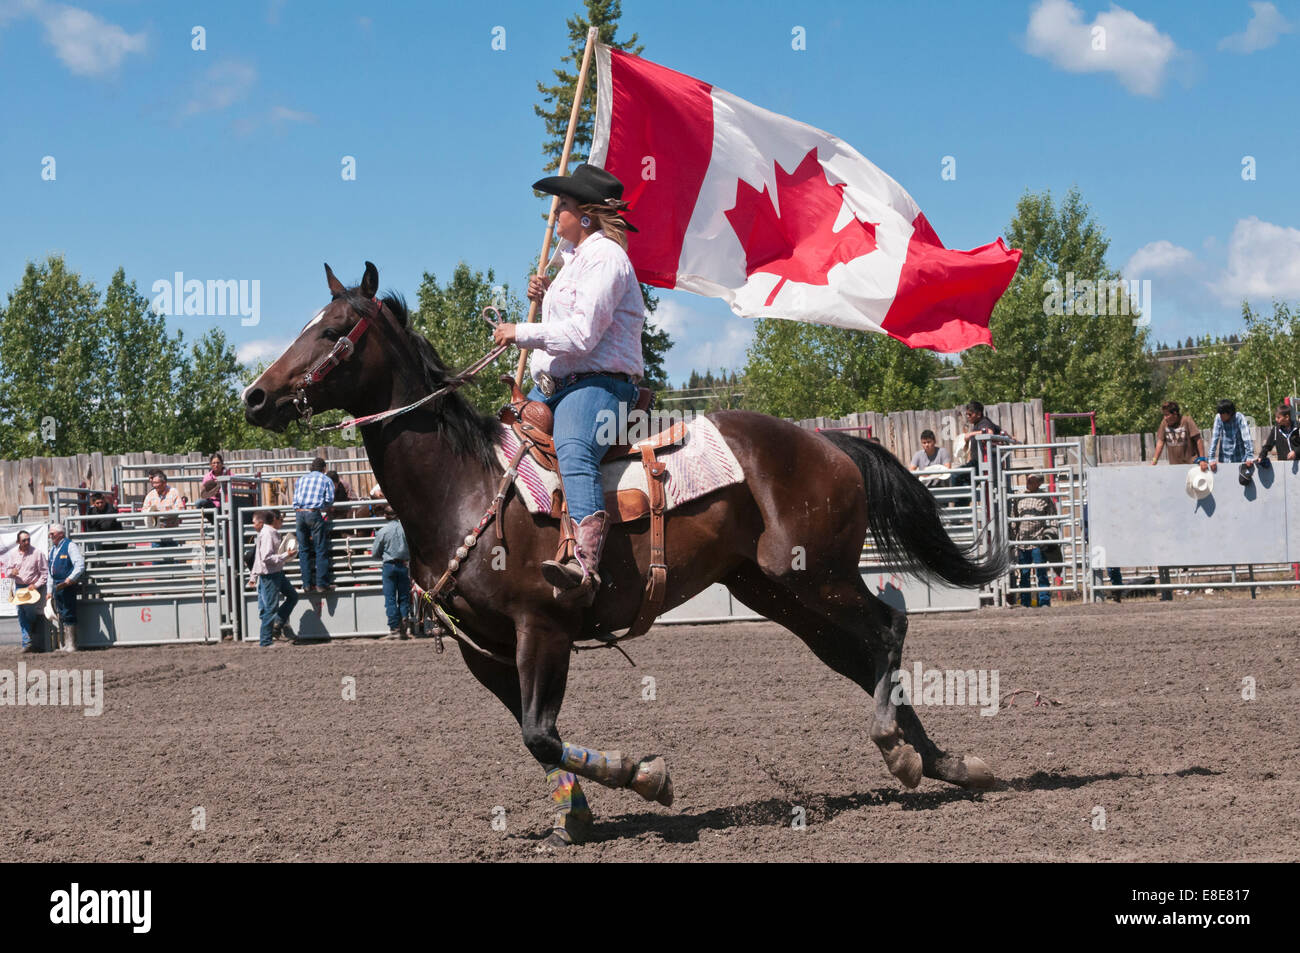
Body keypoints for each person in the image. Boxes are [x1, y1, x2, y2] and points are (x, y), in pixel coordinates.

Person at [492, 163, 643, 605]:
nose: (555, 216)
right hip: (560, 383)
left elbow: (582, 335)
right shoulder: (575, 260)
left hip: (601, 384)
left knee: (574, 446)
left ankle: (585, 563)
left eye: (563, 207)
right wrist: (546, 295)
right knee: (503, 442)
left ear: (587, 216)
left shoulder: (608, 258)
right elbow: (567, 325)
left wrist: (520, 330)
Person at [248, 510, 297, 646]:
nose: (282, 522)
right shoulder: (269, 533)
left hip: (275, 573)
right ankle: (265, 640)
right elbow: (266, 557)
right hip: (271, 574)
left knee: (291, 597)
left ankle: (278, 623)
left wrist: (253, 575)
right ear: (274, 519)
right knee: (271, 607)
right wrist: (285, 555)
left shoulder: (267, 532)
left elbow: (259, 557)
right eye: (280, 519)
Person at [1010, 474, 1056, 608]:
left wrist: (1050, 535)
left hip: (1038, 540)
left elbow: (1053, 516)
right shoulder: (1019, 496)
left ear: (1038, 483)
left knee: (1041, 572)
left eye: (1033, 480)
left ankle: (1044, 602)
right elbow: (1014, 518)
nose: (1029, 482)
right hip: (1022, 541)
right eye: (1029, 480)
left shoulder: (1044, 497)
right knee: (1024, 574)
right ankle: (1025, 602)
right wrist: (1014, 537)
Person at [293, 457, 335, 592]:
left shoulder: (301, 479)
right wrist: (322, 505)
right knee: (320, 548)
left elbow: (295, 500)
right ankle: (321, 584)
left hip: (299, 514)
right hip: (313, 513)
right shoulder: (326, 479)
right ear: (324, 469)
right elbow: (329, 500)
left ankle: (306, 584)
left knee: (304, 550)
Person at [3, 530, 48, 652]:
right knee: (21, 613)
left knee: (28, 613)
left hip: (31, 588)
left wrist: (36, 585)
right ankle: (27, 641)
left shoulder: (37, 553)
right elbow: (7, 571)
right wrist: (11, 572)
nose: (27, 542)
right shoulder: (13, 555)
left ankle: (29, 639)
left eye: (28, 539)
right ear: (18, 542)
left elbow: (44, 573)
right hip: (19, 587)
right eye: (24, 540)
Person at [371, 506, 412, 639]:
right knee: (404, 597)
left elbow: (375, 553)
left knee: (390, 598)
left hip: (389, 565)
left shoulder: (383, 531)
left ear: (386, 516)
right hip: (403, 565)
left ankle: (394, 627)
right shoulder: (405, 530)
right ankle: (405, 620)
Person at [46, 523, 84, 653]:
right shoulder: (53, 549)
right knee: (61, 613)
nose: (50, 536)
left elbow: (79, 565)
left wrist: (70, 579)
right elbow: (50, 573)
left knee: (69, 612)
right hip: (58, 585)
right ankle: (67, 644)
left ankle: (72, 644)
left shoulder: (70, 546)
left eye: (53, 533)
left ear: (61, 534)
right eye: (50, 534)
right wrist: (49, 591)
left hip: (67, 585)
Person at [1150, 401, 1208, 469]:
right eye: (1164, 415)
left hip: (1192, 465)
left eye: (1167, 415)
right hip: (1175, 467)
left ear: (1175, 414)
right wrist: (1154, 461)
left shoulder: (1187, 421)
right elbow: (1160, 442)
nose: (1165, 417)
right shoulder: (1164, 423)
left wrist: (1202, 459)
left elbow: (1198, 440)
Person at [1207, 399, 1254, 469]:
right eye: (1220, 414)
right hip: (1224, 458)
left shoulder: (1239, 418)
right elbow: (1215, 438)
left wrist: (1250, 456)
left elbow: (1247, 438)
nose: (1220, 416)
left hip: (1240, 457)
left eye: (1222, 414)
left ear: (1229, 412)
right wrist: (1211, 457)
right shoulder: (1218, 418)